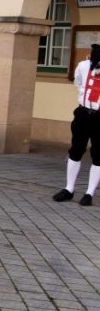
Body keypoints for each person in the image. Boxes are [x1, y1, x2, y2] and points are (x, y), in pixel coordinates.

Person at [53, 43, 100, 206]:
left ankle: (89, 193)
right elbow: (78, 83)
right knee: (76, 149)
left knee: (98, 155)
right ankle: (69, 188)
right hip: (83, 112)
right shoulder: (83, 66)